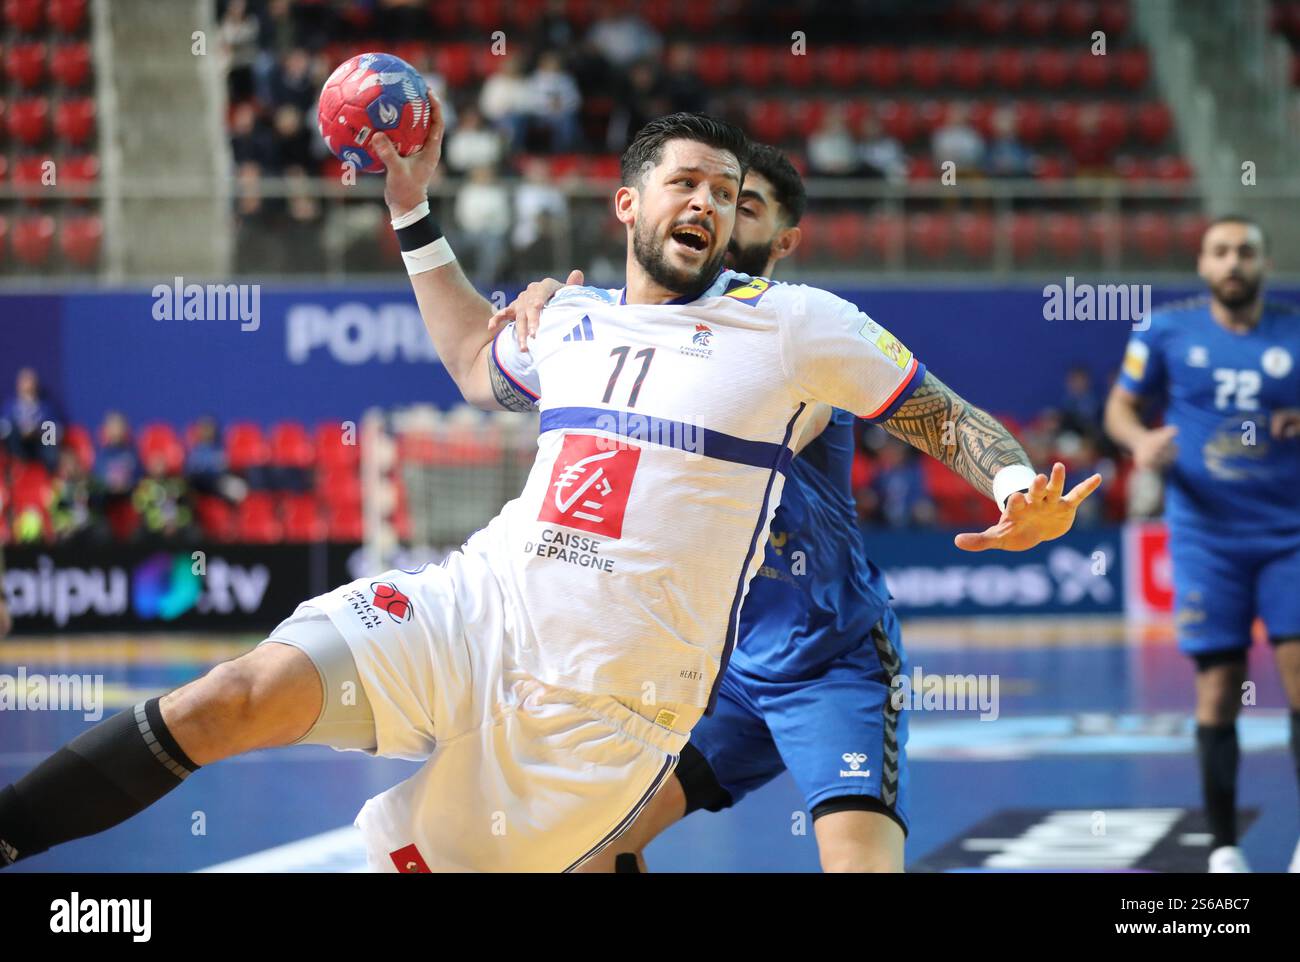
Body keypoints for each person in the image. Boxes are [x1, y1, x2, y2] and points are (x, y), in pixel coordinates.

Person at [0, 108, 1099, 873]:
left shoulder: (797, 324)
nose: (708, 203)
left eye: (725, 192)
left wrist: (1012, 479)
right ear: (627, 203)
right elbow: (476, 359)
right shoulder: (565, 317)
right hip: (473, 609)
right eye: (686, 183)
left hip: (610, 706)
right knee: (228, 696)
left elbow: (940, 411)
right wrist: (410, 209)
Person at [1104, 214, 1300, 873]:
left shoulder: (1295, 330)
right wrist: (1139, 443)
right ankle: (1223, 847)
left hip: (1290, 536)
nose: (1233, 262)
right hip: (1206, 536)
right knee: (1219, 688)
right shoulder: (1164, 331)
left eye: (1245, 250)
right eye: (1220, 252)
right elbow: (1120, 409)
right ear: (1202, 265)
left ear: (1263, 263)